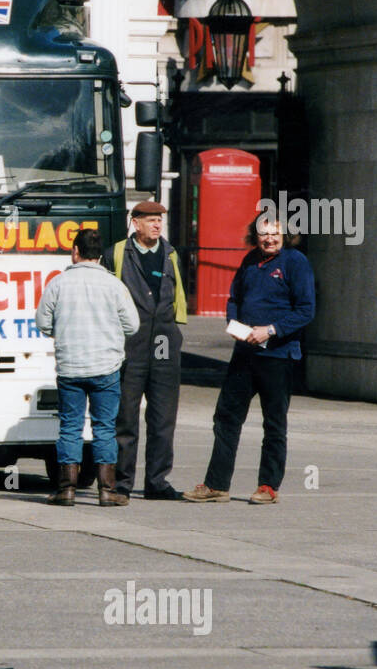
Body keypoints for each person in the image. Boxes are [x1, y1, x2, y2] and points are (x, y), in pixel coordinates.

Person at [184, 212, 315, 504]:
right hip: (244, 353)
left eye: (275, 233)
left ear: (286, 235)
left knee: (274, 423)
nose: (269, 238)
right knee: (226, 417)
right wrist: (234, 324)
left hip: (278, 355)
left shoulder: (296, 262)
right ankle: (216, 485)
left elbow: (306, 310)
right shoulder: (249, 261)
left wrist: (270, 330)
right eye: (263, 233)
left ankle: (268, 486)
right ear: (254, 236)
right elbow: (234, 299)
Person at [35, 228, 139, 506]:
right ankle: (107, 491)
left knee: (69, 427)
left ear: (75, 252)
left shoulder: (58, 284)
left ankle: (66, 489)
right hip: (106, 367)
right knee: (104, 428)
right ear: (100, 255)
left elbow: (43, 323)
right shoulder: (114, 285)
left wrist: (64, 332)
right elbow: (133, 324)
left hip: (70, 368)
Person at [102, 199, 188, 501]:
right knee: (125, 418)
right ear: (135, 222)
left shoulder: (171, 253)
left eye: (159, 220)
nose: (157, 225)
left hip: (164, 341)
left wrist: (175, 331)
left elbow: (178, 293)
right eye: (150, 220)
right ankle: (122, 482)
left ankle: (157, 481)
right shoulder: (115, 253)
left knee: (163, 417)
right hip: (130, 343)